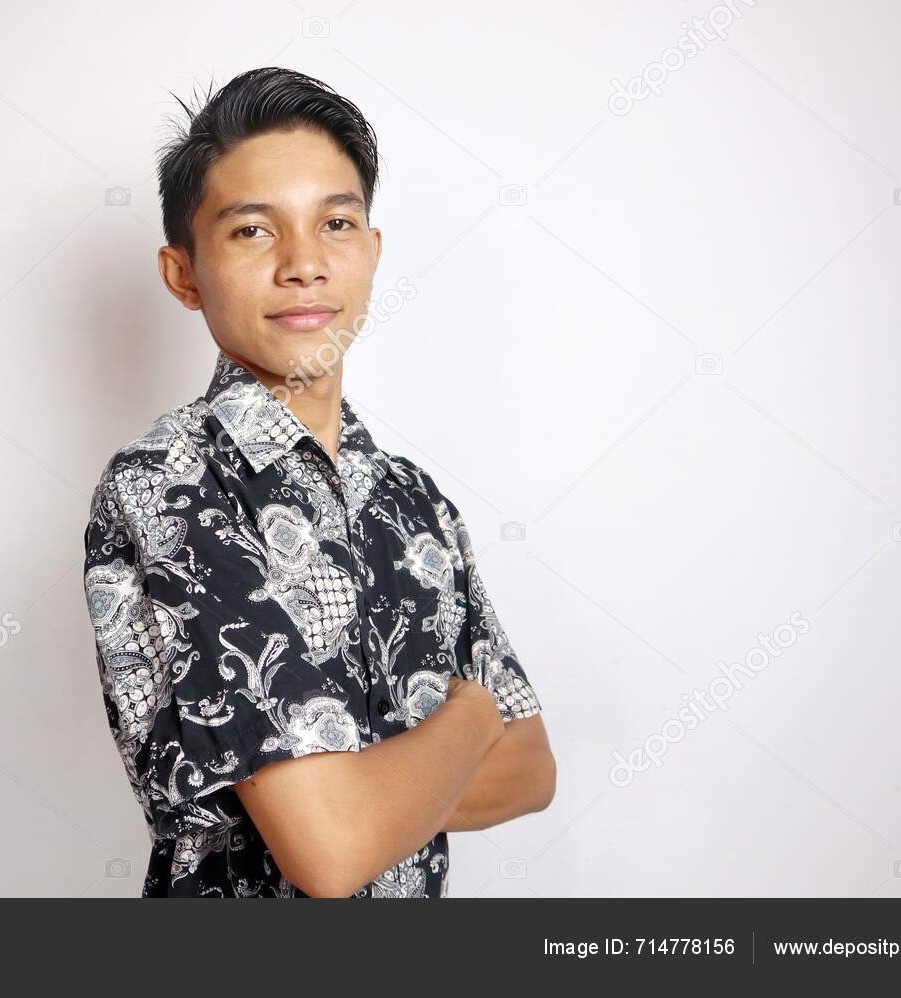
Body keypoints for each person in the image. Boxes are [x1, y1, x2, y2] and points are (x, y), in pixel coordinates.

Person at [80, 66, 554, 898]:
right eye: (253, 232)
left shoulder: (415, 501)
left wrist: (367, 791)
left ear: (372, 252)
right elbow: (331, 851)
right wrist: (474, 714)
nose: (304, 264)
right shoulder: (166, 486)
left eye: (335, 222)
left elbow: (533, 771)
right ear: (183, 273)